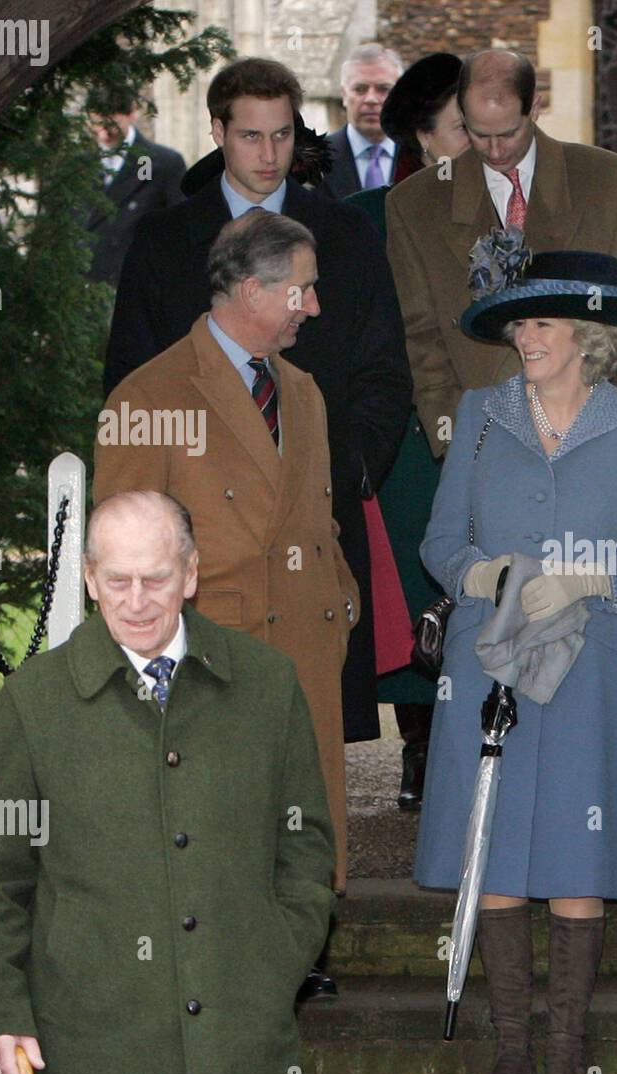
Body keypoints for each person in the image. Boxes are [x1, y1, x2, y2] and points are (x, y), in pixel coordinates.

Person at [0, 491, 336, 1074]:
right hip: (89, 1064)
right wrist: (0, 1015)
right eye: (117, 580)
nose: (136, 602)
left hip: (242, 1055)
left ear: (191, 573)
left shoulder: (268, 683)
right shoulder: (36, 701)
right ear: (88, 579)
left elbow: (306, 847)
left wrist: (276, 959)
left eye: (156, 579)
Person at [416, 250, 617, 1074]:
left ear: (588, 335)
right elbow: (437, 540)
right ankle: (509, 1058)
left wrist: (590, 576)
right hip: (490, 661)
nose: (524, 336)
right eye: (519, 322)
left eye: (542, 322)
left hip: (591, 660)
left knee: (576, 852)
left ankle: (565, 1061)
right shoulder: (482, 416)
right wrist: (482, 572)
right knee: (494, 850)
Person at [103, 57, 413, 761]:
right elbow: (130, 382)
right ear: (217, 131)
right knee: (204, 734)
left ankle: (310, 874)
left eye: (282, 135)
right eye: (250, 136)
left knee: (309, 740)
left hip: (316, 512)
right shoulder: (165, 241)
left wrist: (347, 466)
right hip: (205, 527)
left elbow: (385, 371)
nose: (269, 154)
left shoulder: (345, 235)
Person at [94, 211, 359, 902]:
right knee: (220, 865)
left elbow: (316, 520)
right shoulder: (149, 397)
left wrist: (341, 602)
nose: (315, 305)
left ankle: (301, 947)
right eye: (303, 289)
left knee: (301, 849)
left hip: (306, 652)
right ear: (251, 292)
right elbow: (121, 552)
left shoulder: (302, 391)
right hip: (214, 664)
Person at [385, 49, 617, 460]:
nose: (495, 150)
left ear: (534, 108)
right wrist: (454, 438)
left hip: (599, 437)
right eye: (478, 134)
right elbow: (420, 336)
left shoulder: (611, 181)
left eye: (508, 133)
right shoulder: (415, 203)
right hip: (484, 444)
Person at [347, 52, 468, 811]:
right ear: (424, 139)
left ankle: (474, 741)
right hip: (410, 442)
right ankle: (420, 748)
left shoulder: (509, 210)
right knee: (417, 586)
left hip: (490, 425)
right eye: (464, 125)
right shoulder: (372, 221)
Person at [84, 93, 186, 288]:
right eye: (98, 124)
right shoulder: (76, 166)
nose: (105, 134)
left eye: (112, 126)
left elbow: (179, 230)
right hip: (84, 291)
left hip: (136, 286)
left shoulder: (162, 164)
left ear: (131, 114)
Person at [321, 43, 404, 199]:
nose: (371, 99)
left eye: (383, 89)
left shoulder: (422, 159)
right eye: (360, 89)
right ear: (344, 95)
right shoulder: (315, 160)